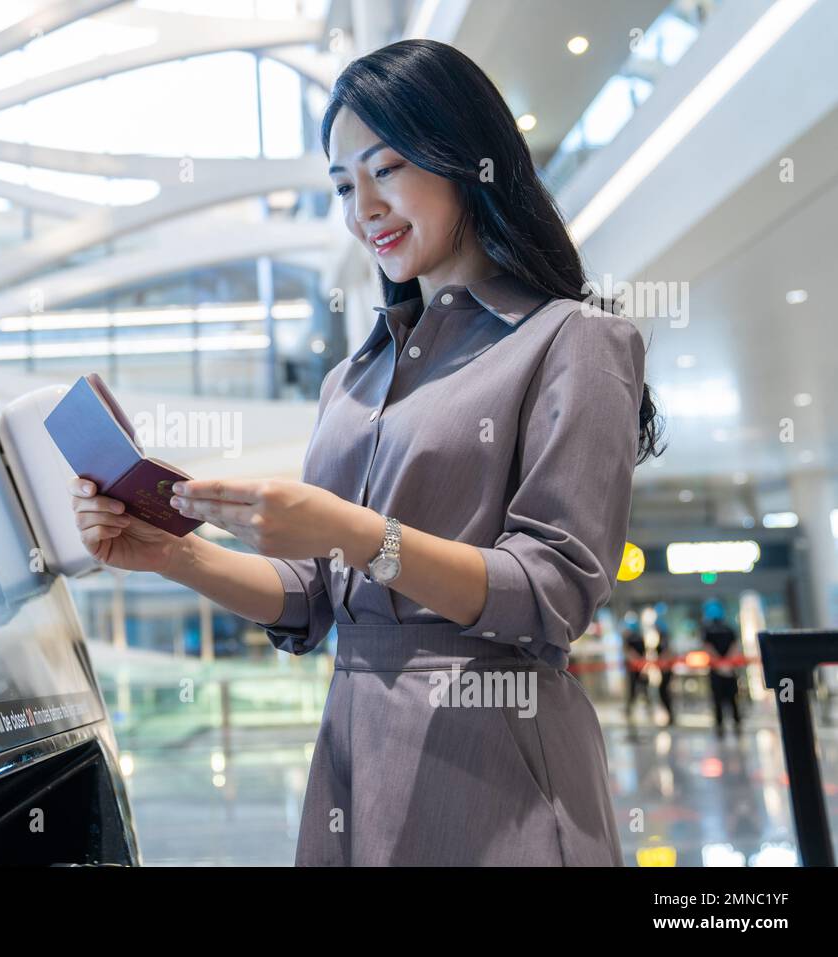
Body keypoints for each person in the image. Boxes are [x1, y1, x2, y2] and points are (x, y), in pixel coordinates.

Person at [69, 38, 663, 865]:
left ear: (467, 160)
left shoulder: (574, 341)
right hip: (355, 753)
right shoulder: (353, 376)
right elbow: (314, 599)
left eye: (387, 169)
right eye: (345, 185)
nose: (364, 209)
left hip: (498, 759)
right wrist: (170, 553)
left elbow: (552, 590)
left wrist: (355, 532)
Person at [701, 600, 743, 738]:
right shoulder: (729, 628)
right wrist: (726, 663)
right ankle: (737, 725)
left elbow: (707, 648)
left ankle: (720, 727)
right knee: (732, 699)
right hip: (728, 669)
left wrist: (719, 663)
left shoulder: (707, 630)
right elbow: (735, 646)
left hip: (717, 669)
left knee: (718, 700)